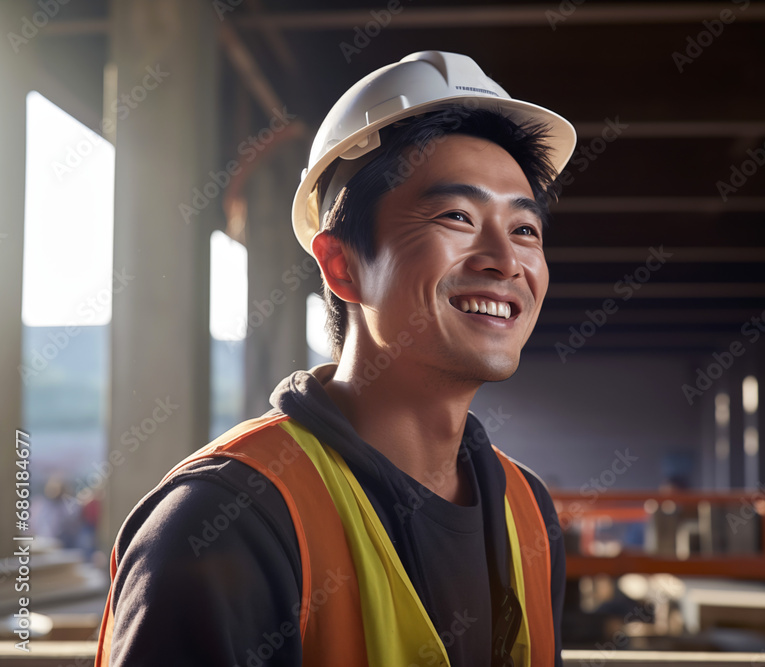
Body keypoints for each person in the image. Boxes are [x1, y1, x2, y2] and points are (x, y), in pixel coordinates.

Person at [95, 51, 577, 666]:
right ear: (343, 266)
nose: (506, 261)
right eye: (457, 216)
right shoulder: (226, 520)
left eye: (524, 230)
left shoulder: (527, 510)